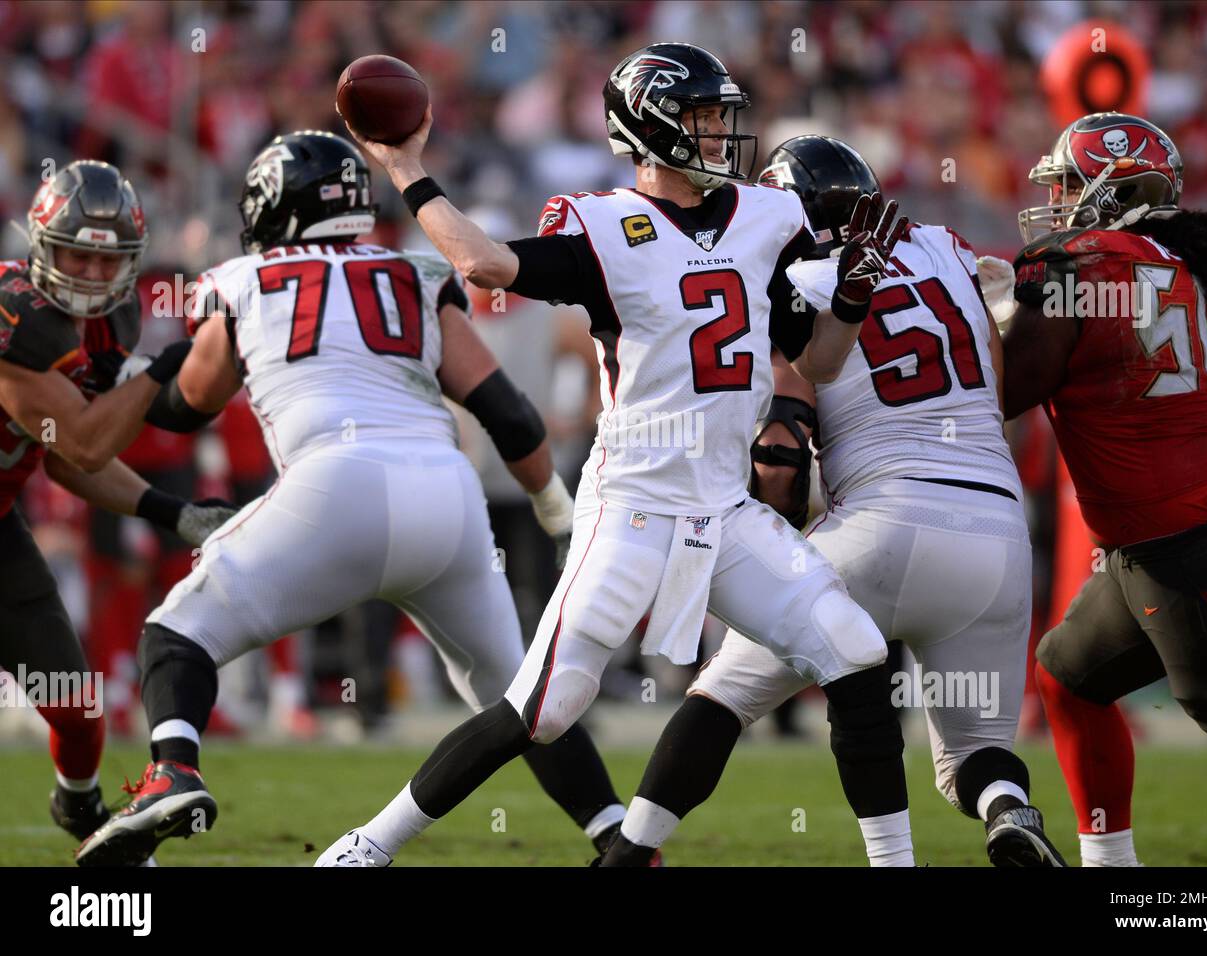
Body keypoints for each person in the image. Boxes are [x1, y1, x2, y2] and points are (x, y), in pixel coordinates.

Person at [319, 42, 913, 868]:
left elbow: (814, 363)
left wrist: (851, 297)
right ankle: (365, 847)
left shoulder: (765, 218)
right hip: (632, 501)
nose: (720, 135)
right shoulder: (604, 225)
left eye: (720, 117)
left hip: (725, 508)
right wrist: (405, 167)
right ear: (650, 125)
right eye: (703, 118)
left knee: (853, 651)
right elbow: (482, 262)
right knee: (545, 707)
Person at [75, 132, 627, 867]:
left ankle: (173, 770)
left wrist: (136, 375)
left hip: (331, 486)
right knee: (521, 698)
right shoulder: (414, 272)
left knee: (177, 634)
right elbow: (511, 413)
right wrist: (554, 506)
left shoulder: (244, 278)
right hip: (447, 495)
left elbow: (190, 405)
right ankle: (619, 840)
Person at [597, 135, 1067, 867]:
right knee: (974, 755)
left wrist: (771, 538)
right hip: (998, 531)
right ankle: (1009, 813)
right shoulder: (946, 246)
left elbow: (781, 452)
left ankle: (629, 852)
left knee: (722, 694)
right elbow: (999, 390)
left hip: (878, 524)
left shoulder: (794, 277)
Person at [1002, 112, 1207, 867]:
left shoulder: (1074, 266)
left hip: (1195, 551)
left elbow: (1012, 386)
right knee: (1068, 676)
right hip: (1180, 541)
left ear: (1113, 185)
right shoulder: (1184, 263)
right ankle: (1111, 870)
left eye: (1069, 185)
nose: (1059, 203)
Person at [0, 160, 232, 852]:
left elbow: (65, 455)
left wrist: (170, 512)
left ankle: (78, 807)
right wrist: (168, 365)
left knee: (76, 705)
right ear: (43, 245)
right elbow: (85, 439)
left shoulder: (103, 327)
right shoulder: (20, 319)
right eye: (79, 255)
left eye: (110, 261)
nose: (95, 276)